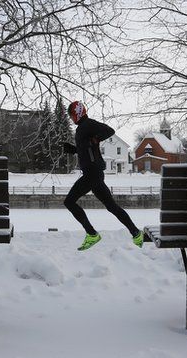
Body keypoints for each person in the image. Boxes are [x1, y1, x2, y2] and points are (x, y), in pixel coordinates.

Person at [61, 101, 143, 251]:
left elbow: (109, 130)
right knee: (112, 206)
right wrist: (74, 149)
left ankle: (92, 234)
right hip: (94, 173)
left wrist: (96, 138)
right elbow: (87, 149)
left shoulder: (88, 124)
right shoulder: (82, 128)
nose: (71, 118)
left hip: (92, 173)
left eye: (72, 115)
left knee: (69, 202)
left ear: (78, 113)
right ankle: (136, 233)